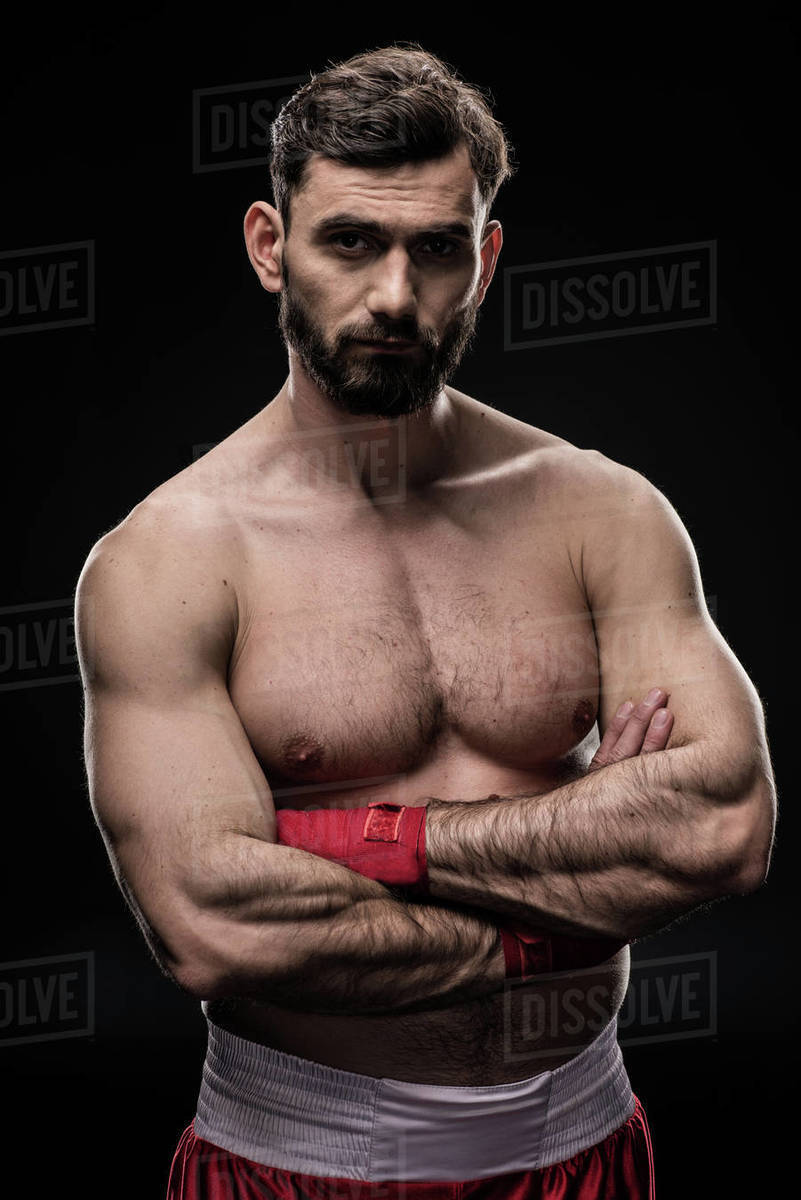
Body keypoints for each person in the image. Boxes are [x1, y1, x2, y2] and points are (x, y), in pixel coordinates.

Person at [74, 44, 776, 1199]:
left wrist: (352, 847)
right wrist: (568, 885)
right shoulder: (170, 562)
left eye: (437, 248)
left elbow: (722, 831)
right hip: (299, 1166)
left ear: (485, 257)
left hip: (582, 1151)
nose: (396, 295)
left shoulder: (602, 510)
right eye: (350, 241)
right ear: (270, 247)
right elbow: (211, 928)